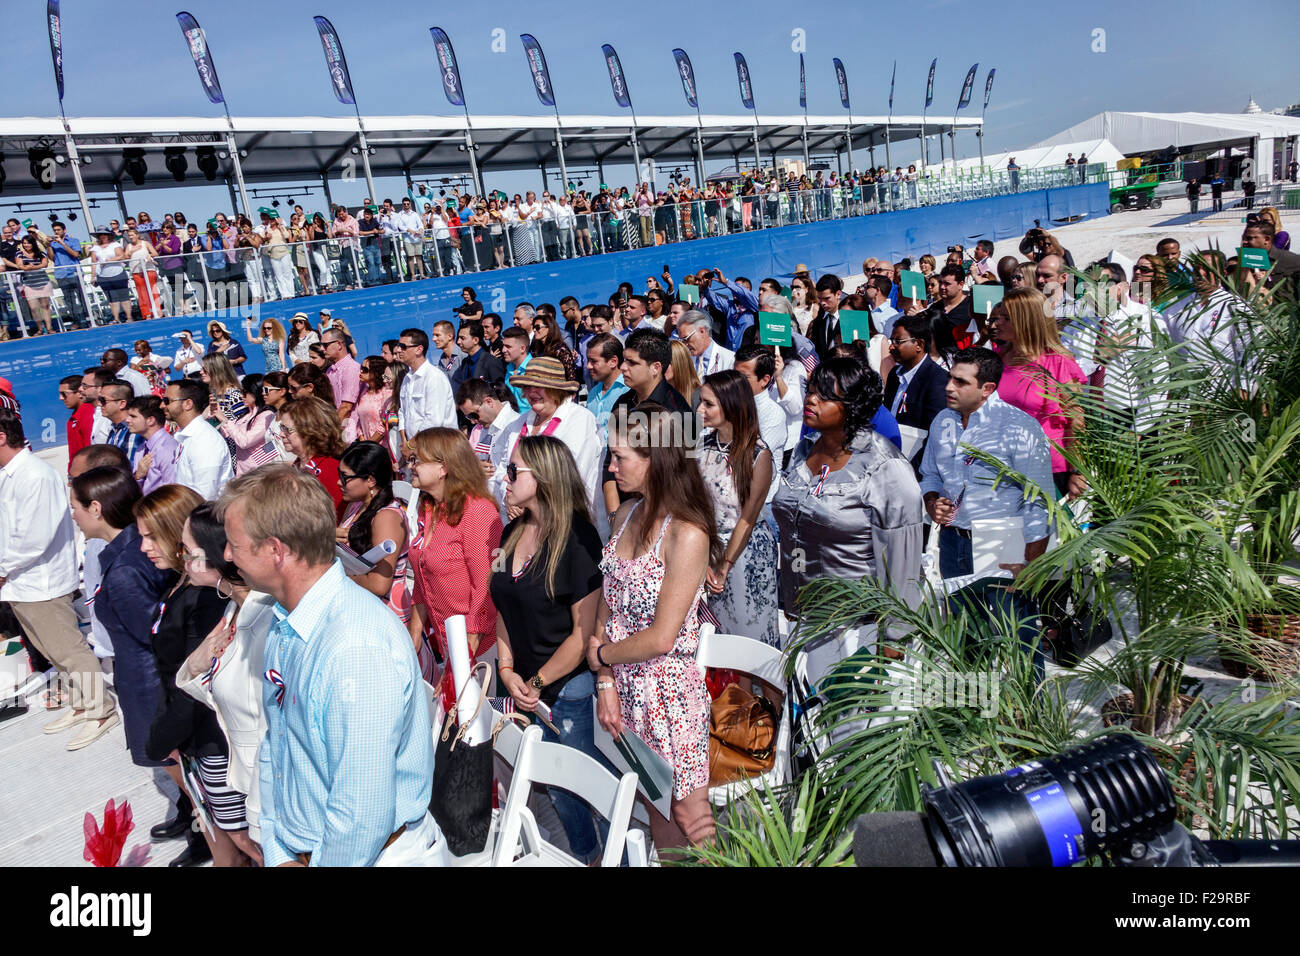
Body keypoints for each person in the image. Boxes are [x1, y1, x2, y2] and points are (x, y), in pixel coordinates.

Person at [218, 464, 437, 866]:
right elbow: (277, 746)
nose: (227, 555)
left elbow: (362, 814)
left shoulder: (355, 649)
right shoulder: (287, 619)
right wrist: (278, 848)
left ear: (276, 550)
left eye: (234, 543)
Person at [588, 405, 720, 849]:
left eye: (620, 457)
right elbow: (607, 601)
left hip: (667, 696)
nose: (611, 467)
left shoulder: (687, 533)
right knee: (656, 809)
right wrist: (606, 680)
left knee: (689, 818)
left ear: (656, 459)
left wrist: (601, 656)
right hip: (623, 688)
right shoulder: (626, 514)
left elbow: (663, 637)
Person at [491, 435, 606, 862]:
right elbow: (501, 602)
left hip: (564, 689)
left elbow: (582, 634)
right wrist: (506, 670)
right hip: (521, 683)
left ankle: (602, 857)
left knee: (577, 789)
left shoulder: (579, 540)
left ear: (542, 477)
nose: (504, 478)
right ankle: (587, 855)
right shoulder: (508, 534)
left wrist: (536, 682)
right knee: (551, 786)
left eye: (513, 470)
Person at [772, 359, 924, 676]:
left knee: (844, 707)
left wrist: (895, 633)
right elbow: (796, 529)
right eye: (811, 391)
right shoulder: (804, 449)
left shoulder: (886, 466)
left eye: (825, 395)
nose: (811, 400)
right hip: (805, 615)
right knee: (807, 704)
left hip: (856, 624)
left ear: (853, 406)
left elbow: (903, 559)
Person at [919, 348, 1054, 667]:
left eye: (961, 382)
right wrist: (932, 502)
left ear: (987, 389)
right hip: (954, 542)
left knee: (1017, 638)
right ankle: (975, 696)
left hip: (1004, 544)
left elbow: (1039, 502)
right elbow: (930, 474)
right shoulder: (943, 421)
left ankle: (1027, 700)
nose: (949, 387)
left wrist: (1031, 565)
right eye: (950, 378)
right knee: (965, 636)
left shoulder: (1020, 428)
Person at [0, 409, 119, 748]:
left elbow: (34, 538)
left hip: (41, 580)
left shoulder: (35, 476)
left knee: (69, 650)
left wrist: (2, 569)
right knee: (50, 650)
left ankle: (101, 709)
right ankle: (80, 702)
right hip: (20, 580)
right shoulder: (9, 475)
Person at [132, 484, 229, 867]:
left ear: (177, 534)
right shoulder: (182, 583)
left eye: (150, 536)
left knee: (238, 840)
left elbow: (196, 684)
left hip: (209, 739)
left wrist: (161, 739)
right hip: (191, 736)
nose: (143, 547)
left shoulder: (206, 597)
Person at [175, 504, 276, 866]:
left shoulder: (266, 619)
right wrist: (198, 663)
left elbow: (268, 718)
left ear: (221, 554)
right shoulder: (233, 609)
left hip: (272, 788)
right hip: (251, 780)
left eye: (187, 550)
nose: (182, 559)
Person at [407, 427, 503, 706]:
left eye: (416, 460)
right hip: (450, 644)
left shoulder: (478, 511)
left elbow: (485, 590)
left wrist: (462, 661)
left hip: (480, 648)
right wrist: (414, 637)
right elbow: (423, 576)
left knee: (476, 723)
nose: (410, 466)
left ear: (443, 468)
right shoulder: (429, 508)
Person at [696, 371, 780, 647]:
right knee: (713, 638)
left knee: (749, 638)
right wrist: (703, 558)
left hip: (745, 555)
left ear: (731, 405)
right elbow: (692, 505)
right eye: (701, 402)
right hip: (707, 549)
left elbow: (748, 517)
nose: (700, 410)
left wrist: (724, 564)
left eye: (708, 404)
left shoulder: (758, 454)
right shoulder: (701, 446)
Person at [990, 289, 1087, 497]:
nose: (997, 323)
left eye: (1006, 318)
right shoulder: (996, 359)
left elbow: (1076, 420)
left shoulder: (1058, 362)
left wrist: (1078, 472)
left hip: (1047, 469)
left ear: (1026, 321)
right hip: (1002, 466)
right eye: (998, 317)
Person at [491, 357, 603, 523]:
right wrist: (507, 498)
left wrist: (527, 502)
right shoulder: (517, 424)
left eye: (538, 386)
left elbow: (571, 475)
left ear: (555, 389)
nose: (531, 392)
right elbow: (501, 470)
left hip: (564, 521)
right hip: (522, 523)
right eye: (527, 387)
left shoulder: (579, 419)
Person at [337, 441, 412, 633]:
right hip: (358, 607)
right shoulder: (356, 505)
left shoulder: (387, 518)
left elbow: (379, 584)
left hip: (383, 619)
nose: (339, 482)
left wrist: (336, 573)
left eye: (345, 477)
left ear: (370, 480)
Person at [883, 313, 948, 474]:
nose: (891, 347)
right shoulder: (894, 375)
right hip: (888, 459)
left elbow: (934, 433)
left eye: (898, 341)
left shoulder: (937, 379)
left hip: (915, 467)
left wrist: (911, 470)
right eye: (891, 341)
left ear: (919, 344)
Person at [732, 344, 790, 504]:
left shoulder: (774, 415)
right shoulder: (728, 403)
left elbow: (752, 460)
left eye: (744, 378)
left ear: (765, 380)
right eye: (734, 375)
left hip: (761, 505)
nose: (735, 382)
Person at [165, 378, 234, 501]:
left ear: (188, 404)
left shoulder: (204, 440)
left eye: (167, 401)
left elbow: (206, 494)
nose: (162, 405)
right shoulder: (188, 435)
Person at [278, 396, 346, 519]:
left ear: (309, 430)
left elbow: (330, 519)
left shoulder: (329, 470)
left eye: (287, 429)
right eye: (281, 428)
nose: (281, 434)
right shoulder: (299, 464)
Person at [395, 328, 456, 460]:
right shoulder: (407, 379)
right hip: (417, 451)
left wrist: (410, 445)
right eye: (398, 346)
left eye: (403, 346)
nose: (398, 350)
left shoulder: (434, 377)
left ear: (419, 349)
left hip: (438, 450)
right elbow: (402, 412)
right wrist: (405, 442)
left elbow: (433, 420)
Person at [212, 373, 278, 476]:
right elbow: (229, 435)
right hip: (242, 472)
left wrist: (224, 419)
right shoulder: (245, 415)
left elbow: (245, 442)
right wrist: (216, 415)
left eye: (244, 392)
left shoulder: (266, 415)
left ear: (255, 393)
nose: (241, 396)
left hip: (260, 473)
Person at [125, 395, 179, 493]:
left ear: (150, 420)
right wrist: (138, 476)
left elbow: (172, 490)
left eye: (133, 416)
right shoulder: (141, 448)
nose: (127, 420)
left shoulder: (168, 449)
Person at [3, 236, 55, 334]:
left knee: (45, 306)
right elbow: (20, 265)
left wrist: (32, 267)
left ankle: (49, 328)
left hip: (43, 282)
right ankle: (40, 329)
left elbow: (45, 264)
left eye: (28, 243)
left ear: (33, 243)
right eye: (24, 243)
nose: (26, 245)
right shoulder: (19, 253)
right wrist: (30, 267)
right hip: (28, 284)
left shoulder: (41, 253)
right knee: (34, 308)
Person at [583, 333, 629, 442]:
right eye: (588, 361)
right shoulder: (593, 393)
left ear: (613, 362)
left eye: (594, 361)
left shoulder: (629, 391)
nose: (588, 366)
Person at [322, 327, 362, 438]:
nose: (322, 348)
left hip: (351, 435)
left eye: (325, 345)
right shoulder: (329, 371)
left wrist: (330, 435)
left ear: (339, 345)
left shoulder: (352, 368)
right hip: (340, 433)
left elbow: (346, 407)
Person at [47, 221, 88, 329]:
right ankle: (76, 321)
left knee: (81, 297)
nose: (56, 232)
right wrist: (49, 245)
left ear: (64, 230)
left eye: (58, 230)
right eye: (54, 230)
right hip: (61, 274)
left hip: (74, 272)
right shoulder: (53, 243)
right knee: (69, 300)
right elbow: (51, 258)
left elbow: (75, 254)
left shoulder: (74, 240)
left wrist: (62, 243)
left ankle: (87, 319)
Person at [88, 227, 133, 324]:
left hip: (118, 273)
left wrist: (109, 260)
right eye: (100, 234)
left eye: (104, 234)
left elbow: (122, 256)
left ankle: (129, 317)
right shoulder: (95, 248)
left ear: (109, 235)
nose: (102, 236)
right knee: (112, 299)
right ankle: (116, 318)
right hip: (103, 276)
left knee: (124, 296)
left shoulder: (115, 245)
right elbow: (93, 262)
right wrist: (93, 276)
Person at [677, 309, 735, 377]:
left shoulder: (730, 360)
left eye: (686, 339)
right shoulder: (683, 360)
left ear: (702, 331)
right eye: (682, 340)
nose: (684, 344)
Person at [100, 381, 145, 468]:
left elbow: (130, 469)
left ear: (122, 404)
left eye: (103, 400)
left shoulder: (134, 431)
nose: (99, 404)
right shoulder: (114, 429)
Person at [808, 273, 846, 361]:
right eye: (819, 299)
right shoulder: (818, 322)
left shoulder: (850, 318)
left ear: (838, 294)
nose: (822, 303)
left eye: (826, 298)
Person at [61, 375, 95, 469]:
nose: (61, 398)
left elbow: (90, 450)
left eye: (64, 394)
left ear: (79, 393)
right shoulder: (75, 416)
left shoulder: (88, 414)